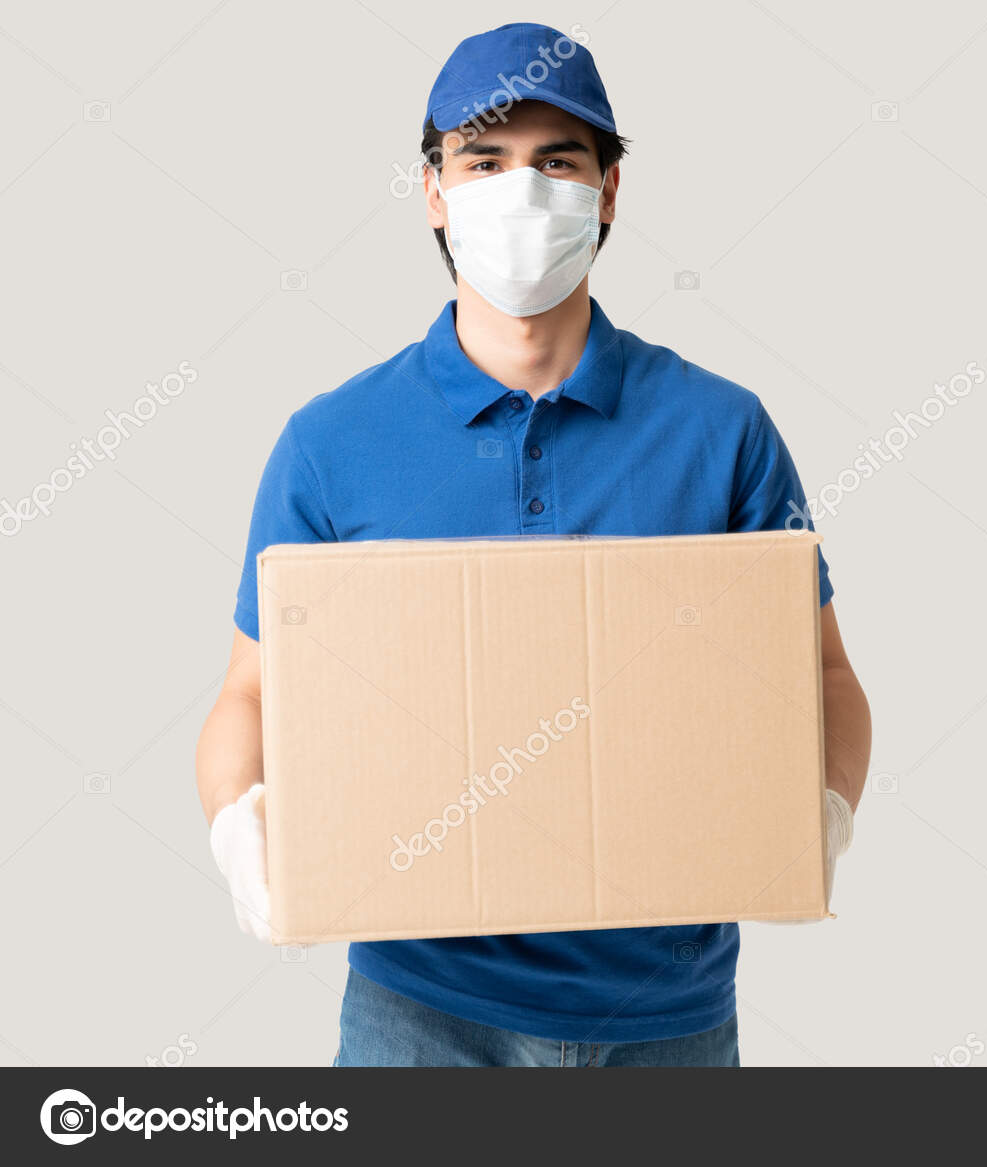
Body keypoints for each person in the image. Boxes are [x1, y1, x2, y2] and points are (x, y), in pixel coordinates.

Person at [195, 22, 871, 1067]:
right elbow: (249, 692)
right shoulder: (332, 443)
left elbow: (821, 673)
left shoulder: (720, 428)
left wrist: (818, 809)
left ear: (607, 193)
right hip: (418, 1012)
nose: (520, 190)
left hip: (667, 1014)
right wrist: (238, 825)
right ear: (432, 193)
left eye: (556, 161)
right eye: (484, 162)